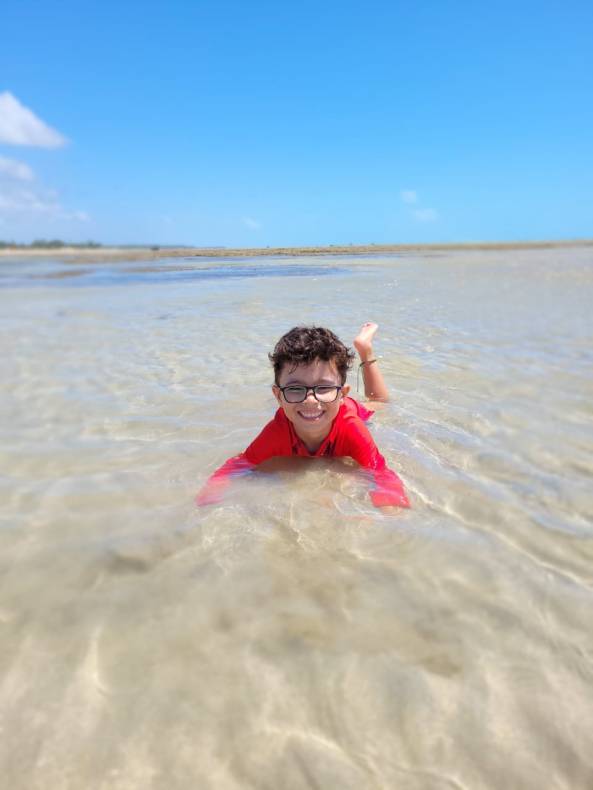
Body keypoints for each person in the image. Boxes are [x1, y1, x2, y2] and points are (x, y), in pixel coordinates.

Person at [196, 323, 410, 509]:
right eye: (295, 389)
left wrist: (392, 519)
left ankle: (365, 350)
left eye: (324, 387)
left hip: (351, 411)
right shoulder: (276, 432)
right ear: (278, 396)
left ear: (342, 394)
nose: (310, 400)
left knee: (379, 402)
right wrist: (207, 502)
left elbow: (380, 472)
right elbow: (239, 464)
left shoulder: (352, 427)